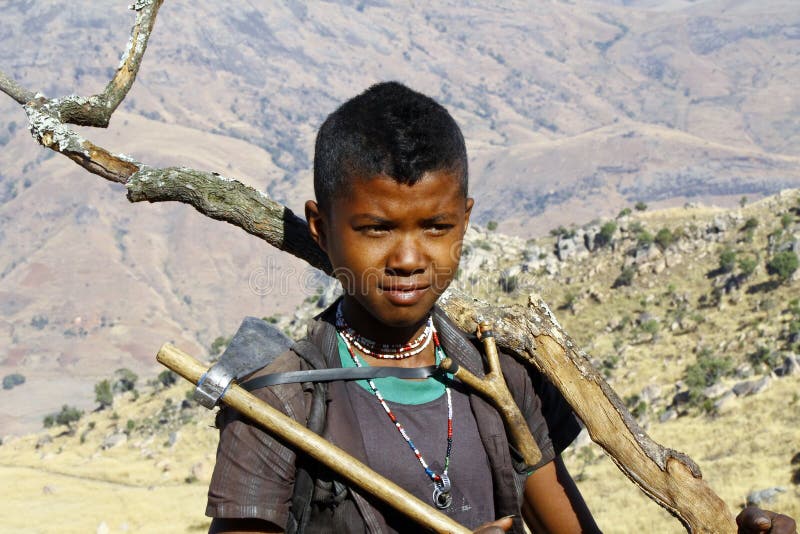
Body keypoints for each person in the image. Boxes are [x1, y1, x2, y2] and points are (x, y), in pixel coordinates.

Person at [206, 82, 796, 534]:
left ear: (464, 220)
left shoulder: (503, 377)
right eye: (376, 228)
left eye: (435, 226)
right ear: (321, 228)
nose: (409, 257)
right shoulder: (279, 400)